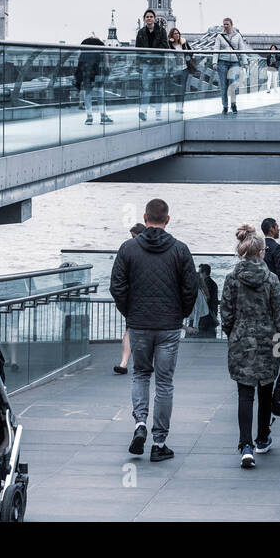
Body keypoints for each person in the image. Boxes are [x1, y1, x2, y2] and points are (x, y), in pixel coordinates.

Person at [111, 198, 199, 462]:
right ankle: (159, 442)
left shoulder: (128, 249)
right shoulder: (181, 250)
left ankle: (140, 424)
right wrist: (180, 313)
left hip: (139, 324)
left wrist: (130, 312)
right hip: (169, 326)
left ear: (145, 217)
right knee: (164, 383)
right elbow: (190, 288)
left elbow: (117, 286)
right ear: (167, 220)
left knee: (140, 374)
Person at [221, 223, 280, 468]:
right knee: (265, 391)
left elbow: (226, 314)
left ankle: (245, 445)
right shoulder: (271, 280)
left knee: (245, 393)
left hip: (241, 340)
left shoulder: (231, 279)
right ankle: (262, 438)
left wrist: (234, 334)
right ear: (262, 252)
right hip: (269, 341)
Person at [113, 222, 145, 374]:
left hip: (134, 300)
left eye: (133, 236)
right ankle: (126, 363)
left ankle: (124, 363)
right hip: (152, 303)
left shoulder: (128, 249)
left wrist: (124, 304)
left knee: (130, 330)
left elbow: (118, 282)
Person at [135, 9, 169, 121]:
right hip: (146, 65)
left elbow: (165, 46)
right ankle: (144, 112)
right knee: (146, 88)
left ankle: (158, 113)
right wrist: (138, 65)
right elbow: (137, 50)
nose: (149, 18)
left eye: (151, 16)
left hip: (158, 64)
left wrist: (151, 52)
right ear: (144, 19)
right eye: (147, 17)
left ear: (154, 18)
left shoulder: (162, 31)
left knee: (159, 90)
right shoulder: (140, 32)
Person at [75, 34, 113, 125]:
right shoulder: (100, 44)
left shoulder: (84, 44)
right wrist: (107, 68)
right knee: (99, 92)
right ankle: (103, 116)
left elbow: (79, 59)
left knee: (87, 93)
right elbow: (105, 56)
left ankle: (89, 117)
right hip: (98, 70)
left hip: (87, 70)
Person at [214, 16, 249, 114]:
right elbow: (216, 49)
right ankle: (225, 106)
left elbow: (242, 50)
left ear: (231, 25)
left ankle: (233, 104)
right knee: (223, 86)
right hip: (222, 62)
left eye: (227, 24)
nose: (225, 26)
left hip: (234, 63)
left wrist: (245, 62)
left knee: (233, 84)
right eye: (224, 24)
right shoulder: (219, 36)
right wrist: (214, 62)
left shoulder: (238, 36)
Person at [167, 27, 196, 112]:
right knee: (177, 89)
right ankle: (177, 106)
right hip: (175, 69)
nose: (176, 35)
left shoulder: (184, 42)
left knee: (182, 88)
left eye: (178, 33)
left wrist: (187, 58)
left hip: (184, 68)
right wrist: (169, 42)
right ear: (171, 35)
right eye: (174, 33)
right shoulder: (170, 44)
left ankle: (181, 107)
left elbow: (191, 52)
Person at [261, 217, 280, 300]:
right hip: (274, 287)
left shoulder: (260, 246)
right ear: (271, 229)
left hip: (262, 287)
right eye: (277, 227)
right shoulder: (277, 247)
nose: (278, 230)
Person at [196, 262, 219, 336]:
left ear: (204, 273)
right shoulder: (213, 283)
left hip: (204, 318)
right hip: (211, 316)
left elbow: (204, 299)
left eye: (199, 273)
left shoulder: (204, 284)